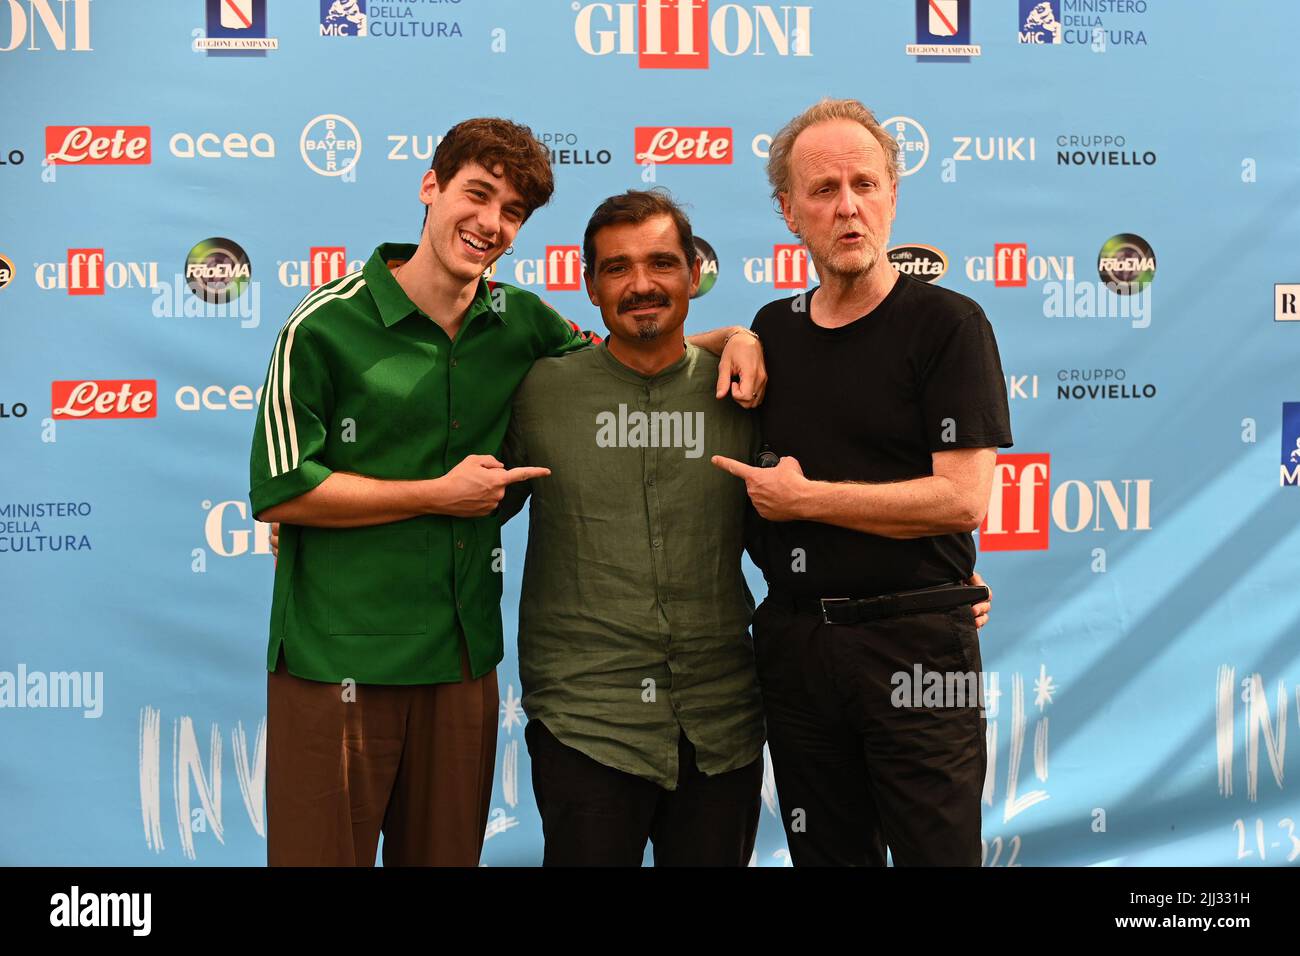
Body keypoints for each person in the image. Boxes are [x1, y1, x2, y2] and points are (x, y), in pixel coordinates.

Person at [248, 118, 765, 867]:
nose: (491, 223)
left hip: (462, 663)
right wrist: (435, 494)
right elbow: (280, 490)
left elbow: (636, 346)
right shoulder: (323, 324)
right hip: (337, 661)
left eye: (513, 211)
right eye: (478, 194)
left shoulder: (519, 321)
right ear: (430, 188)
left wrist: (737, 339)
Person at [712, 98, 1013, 866]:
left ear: (892, 196)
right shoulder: (773, 329)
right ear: (789, 212)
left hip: (919, 650)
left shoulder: (949, 325)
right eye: (823, 190)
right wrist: (735, 333)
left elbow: (962, 499)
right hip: (799, 649)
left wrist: (807, 501)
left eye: (865, 184)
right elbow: (650, 342)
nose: (848, 207)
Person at [498, 190, 765, 866]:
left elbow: (830, 494)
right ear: (589, 287)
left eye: (661, 264)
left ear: (694, 275)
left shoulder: (748, 390)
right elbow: (458, 497)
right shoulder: (535, 392)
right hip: (586, 718)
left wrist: (938, 569)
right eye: (616, 269)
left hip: (722, 717)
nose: (641, 285)